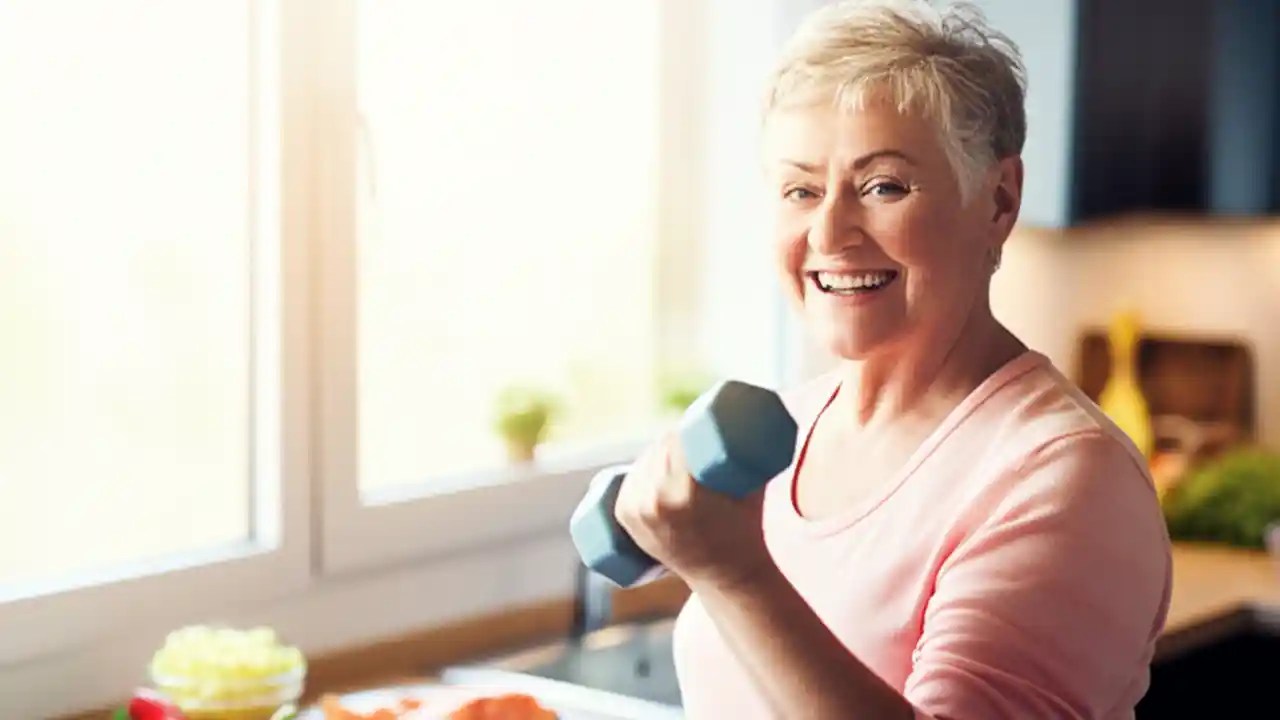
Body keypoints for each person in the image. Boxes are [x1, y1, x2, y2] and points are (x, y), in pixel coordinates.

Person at [612, 1, 1173, 718]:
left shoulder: (1064, 478)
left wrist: (734, 576)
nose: (830, 232)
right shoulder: (787, 426)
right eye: (801, 190)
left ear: (999, 200)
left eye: (884, 186)